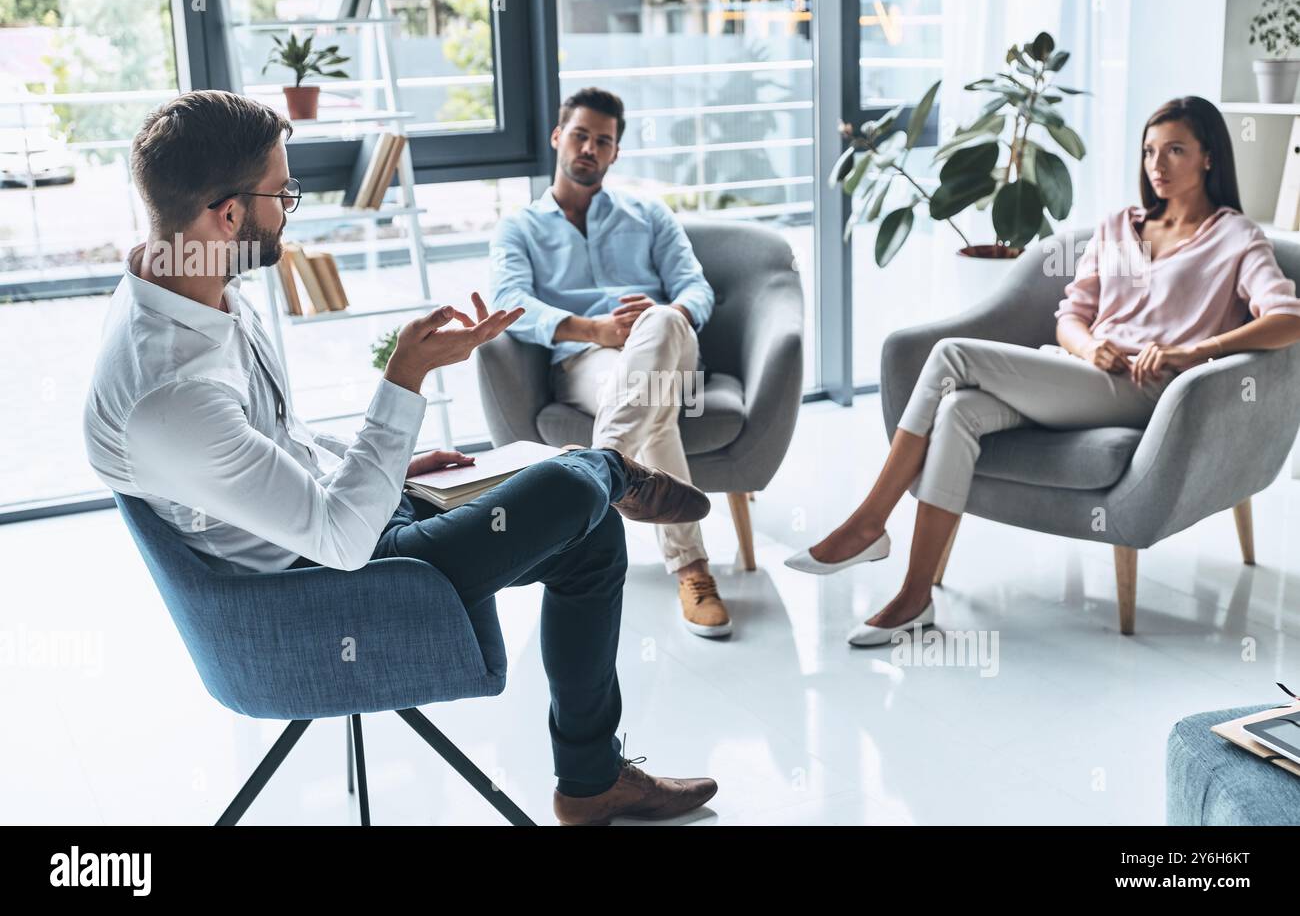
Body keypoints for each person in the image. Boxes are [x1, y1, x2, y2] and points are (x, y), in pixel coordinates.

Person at [83, 89, 719, 825]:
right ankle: (614, 468)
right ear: (228, 215)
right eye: (283, 194)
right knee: (576, 484)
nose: (291, 206)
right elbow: (343, 540)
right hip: (325, 588)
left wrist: (395, 461)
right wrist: (404, 377)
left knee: (590, 534)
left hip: (328, 528)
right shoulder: (170, 391)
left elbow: (274, 443)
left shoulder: (190, 286)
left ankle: (590, 780)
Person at [785, 95, 1300, 646]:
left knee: (951, 356)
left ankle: (868, 522)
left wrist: (1193, 352)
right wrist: (1088, 347)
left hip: (1146, 393)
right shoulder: (1118, 228)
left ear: (1208, 159)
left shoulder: (1235, 237)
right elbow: (1070, 316)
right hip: (1084, 373)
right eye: (1150, 150)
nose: (1158, 164)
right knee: (958, 410)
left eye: (1175, 150)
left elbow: (1288, 319)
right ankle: (915, 596)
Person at [490, 87, 732, 638]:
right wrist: (593, 329)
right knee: (655, 411)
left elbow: (696, 289)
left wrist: (662, 314)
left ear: (616, 152)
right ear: (558, 137)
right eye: (580, 135)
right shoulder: (520, 227)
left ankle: (598, 472)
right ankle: (691, 568)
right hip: (588, 363)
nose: (590, 149)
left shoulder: (649, 214)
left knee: (665, 323)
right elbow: (511, 301)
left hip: (671, 350)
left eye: (604, 141)